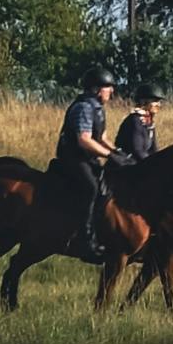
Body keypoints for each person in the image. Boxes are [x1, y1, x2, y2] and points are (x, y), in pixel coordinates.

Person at [49, 71, 117, 253]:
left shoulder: (98, 108)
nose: (111, 90)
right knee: (91, 187)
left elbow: (102, 137)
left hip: (86, 157)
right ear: (96, 90)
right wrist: (109, 155)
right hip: (73, 157)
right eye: (107, 87)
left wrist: (118, 152)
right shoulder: (84, 108)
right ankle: (83, 237)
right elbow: (84, 140)